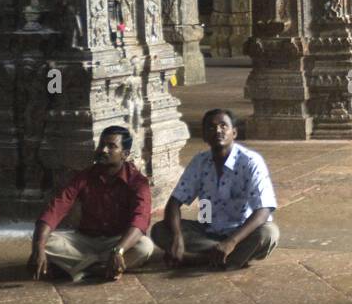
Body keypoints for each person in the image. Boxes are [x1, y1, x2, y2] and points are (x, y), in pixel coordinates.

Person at [151, 109, 279, 270]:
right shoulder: (200, 161)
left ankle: (201, 259)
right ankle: (223, 257)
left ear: (234, 133)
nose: (218, 130)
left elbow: (264, 210)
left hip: (241, 233)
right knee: (159, 230)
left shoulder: (251, 162)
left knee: (269, 233)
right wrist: (177, 238)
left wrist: (231, 242)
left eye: (223, 126)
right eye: (211, 128)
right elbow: (174, 203)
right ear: (204, 136)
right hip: (208, 229)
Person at [28, 126, 155, 283]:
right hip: (85, 241)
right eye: (102, 144)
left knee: (144, 247)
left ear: (125, 154)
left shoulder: (138, 182)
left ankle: (79, 268)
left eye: (111, 146)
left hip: (118, 240)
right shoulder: (85, 176)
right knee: (45, 242)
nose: (103, 150)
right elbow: (55, 208)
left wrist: (118, 250)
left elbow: (140, 222)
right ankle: (100, 268)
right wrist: (38, 247)